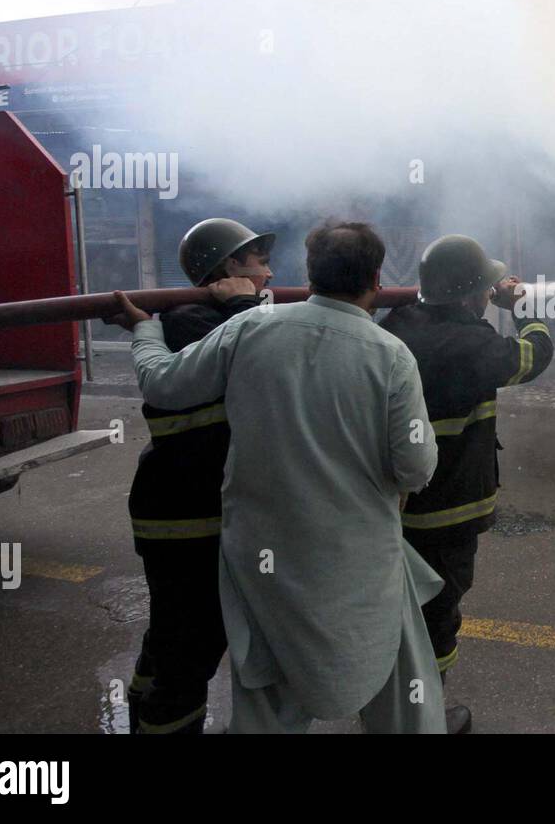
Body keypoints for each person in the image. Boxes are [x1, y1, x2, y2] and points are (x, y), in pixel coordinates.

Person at [110, 220, 444, 733]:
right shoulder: (390, 355)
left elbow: (161, 382)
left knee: (267, 690)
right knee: (399, 677)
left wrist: (145, 329)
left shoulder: (250, 328)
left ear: (309, 275)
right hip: (356, 554)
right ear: (377, 279)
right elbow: (416, 467)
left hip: (260, 555)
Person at [380, 235, 553, 734]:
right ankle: (422, 718)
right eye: (483, 287)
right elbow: (534, 355)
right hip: (448, 510)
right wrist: (523, 308)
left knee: (400, 607)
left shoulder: (399, 327)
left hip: (394, 508)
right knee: (439, 615)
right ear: (470, 294)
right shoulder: (473, 344)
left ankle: (392, 705)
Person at [125, 217, 274, 734]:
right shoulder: (200, 323)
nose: (270, 273)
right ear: (231, 266)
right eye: (258, 262)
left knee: (171, 633)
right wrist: (241, 306)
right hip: (191, 517)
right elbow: (273, 358)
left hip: (178, 509)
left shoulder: (191, 319)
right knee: (192, 645)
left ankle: (144, 711)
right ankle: (165, 724)